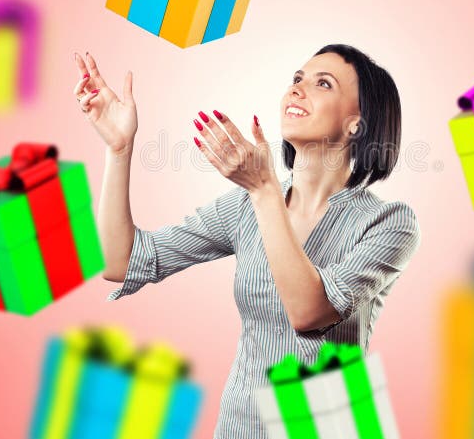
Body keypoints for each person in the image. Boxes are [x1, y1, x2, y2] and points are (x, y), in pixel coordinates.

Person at [71, 43, 421, 438]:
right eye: (296, 79)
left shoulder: (388, 223)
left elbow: (308, 312)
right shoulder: (246, 202)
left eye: (323, 83)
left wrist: (264, 191)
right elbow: (123, 261)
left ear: (356, 122)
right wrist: (119, 149)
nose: (297, 89)